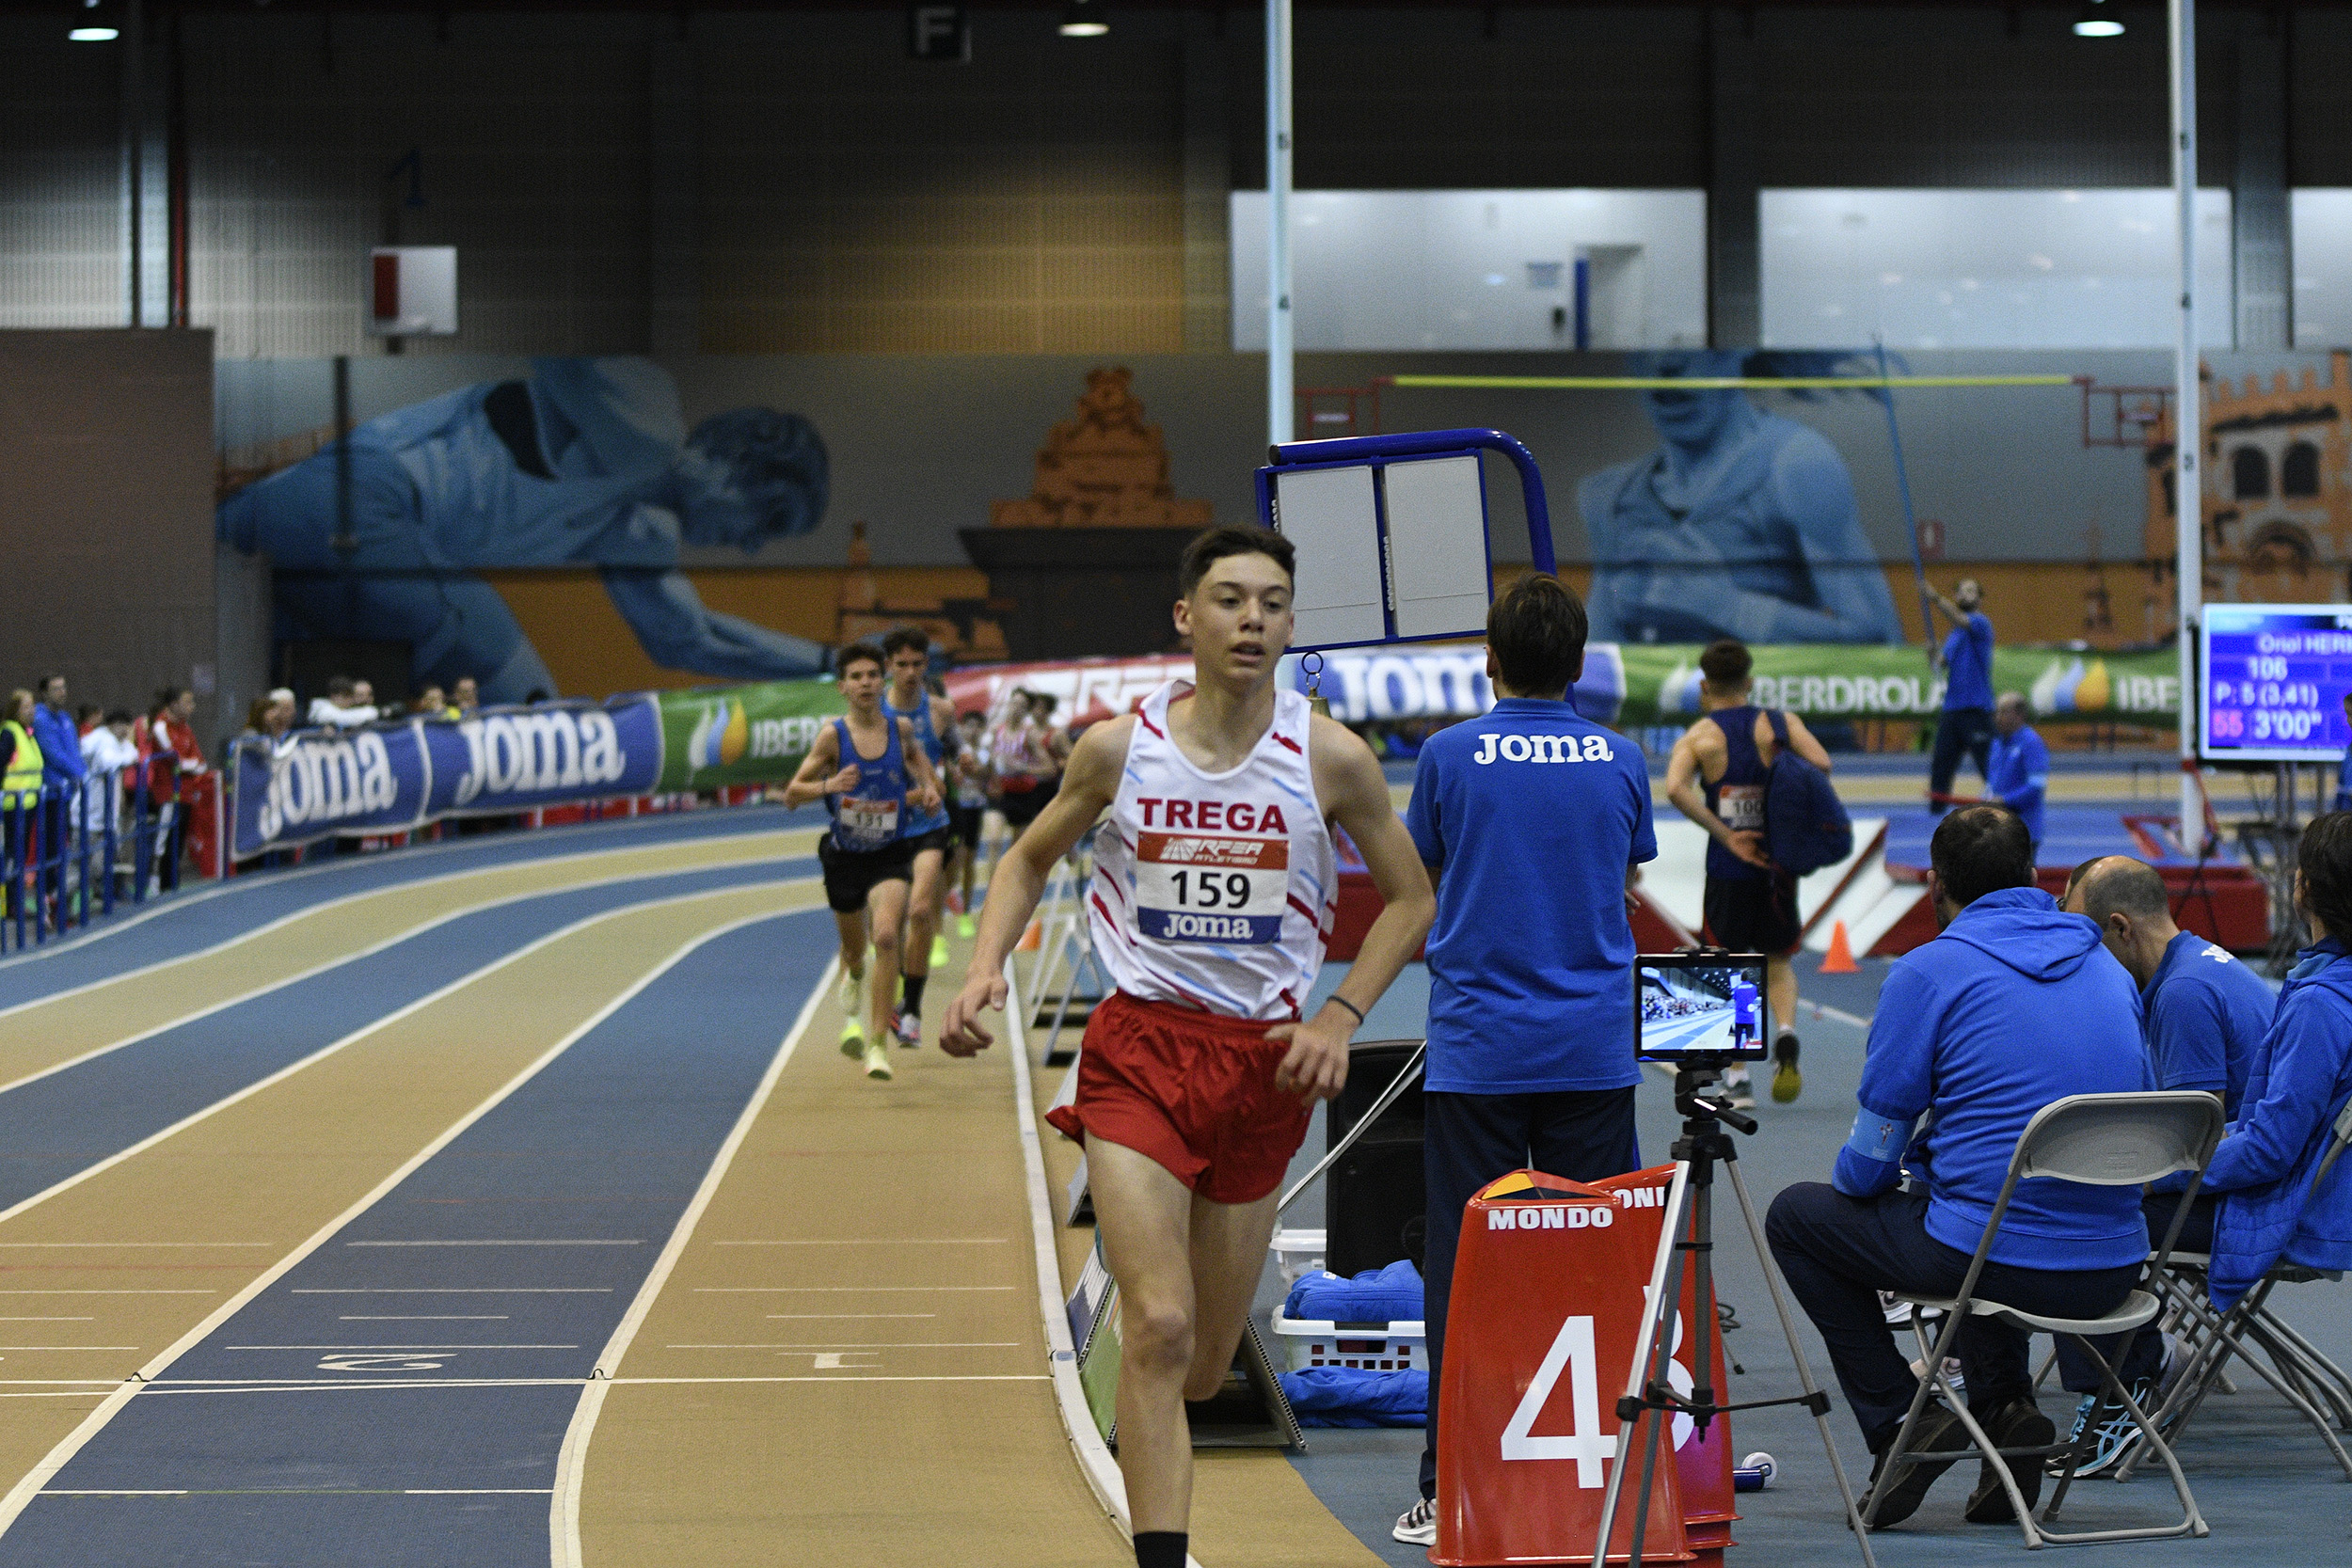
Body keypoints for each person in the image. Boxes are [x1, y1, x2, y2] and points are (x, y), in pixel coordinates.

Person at [940, 526, 1435, 1568]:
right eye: (1228, 599)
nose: (1250, 618)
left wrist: (1338, 1013)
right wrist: (984, 963)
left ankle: (1165, 1344)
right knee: (1158, 1326)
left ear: (1291, 624)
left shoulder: (1330, 756)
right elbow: (1026, 860)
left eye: (1269, 602)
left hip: (1264, 1065)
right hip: (1139, 1054)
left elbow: (1410, 897)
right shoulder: (1119, 751)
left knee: (1205, 1363)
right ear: (1186, 618)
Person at [1766, 804, 2154, 1529]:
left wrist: (1868, 1187)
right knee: (1972, 1200)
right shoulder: (2108, 967)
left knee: (1799, 1215)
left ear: (1936, 885)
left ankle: (1898, 1424)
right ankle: (2006, 1408)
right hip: (2114, 1268)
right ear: (2035, 878)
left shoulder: (1929, 971)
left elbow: (1872, 1155)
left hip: (1996, 1254)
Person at [1390, 574, 1656, 1547]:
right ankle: (1603, 1480)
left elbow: (1418, 872)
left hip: (1479, 1050)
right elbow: (1626, 874)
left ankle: (1448, 1483)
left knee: (1466, 1269)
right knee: (1596, 1262)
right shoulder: (1621, 758)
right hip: (1589, 1048)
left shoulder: (1448, 756)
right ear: (1579, 663)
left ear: (1488, 659)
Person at [218, 357, 832, 704]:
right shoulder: (650, 420)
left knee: (289, 702)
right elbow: (553, 347)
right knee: (526, 695)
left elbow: (692, 642)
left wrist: (837, 662)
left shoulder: (632, 531)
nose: (753, 545)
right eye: (769, 518)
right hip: (347, 499)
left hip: (326, 550)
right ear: (737, 458)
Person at [2049, 852, 2274, 1472]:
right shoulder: (2197, 963)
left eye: (2087, 938)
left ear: (2120, 926)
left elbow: (2191, 1145)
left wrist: (2118, 1167)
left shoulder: (2182, 995)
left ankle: (2121, 1388)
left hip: (2254, 1205)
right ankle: (2146, 1350)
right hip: (2273, 1184)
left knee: (2077, 1211)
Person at [1581, 350, 1903, 647]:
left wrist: (1725, 606)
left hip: (1771, 709)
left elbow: (1879, 639)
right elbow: (1595, 659)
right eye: (1648, 340)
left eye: (1695, 342)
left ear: (1741, 345)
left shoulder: (1796, 464)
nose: (1667, 362)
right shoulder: (1610, 496)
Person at [1663, 638, 1826, 1107]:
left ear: (1704, 685)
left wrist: (1723, 831)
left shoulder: (1701, 736)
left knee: (1732, 968)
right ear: (1750, 682)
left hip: (1729, 868)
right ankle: (1787, 1035)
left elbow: (1675, 788)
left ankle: (1737, 1077)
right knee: (1778, 961)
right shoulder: (1780, 725)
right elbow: (1821, 764)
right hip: (1776, 867)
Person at [780, 643, 943, 1084]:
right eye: (857, 677)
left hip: (889, 852)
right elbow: (793, 793)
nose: (867, 683)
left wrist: (928, 789)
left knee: (888, 935)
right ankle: (852, 971)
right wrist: (831, 784)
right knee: (855, 950)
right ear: (843, 687)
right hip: (845, 857)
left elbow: (923, 771)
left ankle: (877, 1044)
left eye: (873, 675)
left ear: (882, 681)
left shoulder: (902, 729)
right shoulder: (833, 736)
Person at [881, 628, 960, 1042]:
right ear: (888, 667)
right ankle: (893, 987)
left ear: (926, 666)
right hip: (885, 829)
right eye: (902, 665)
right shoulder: (872, 713)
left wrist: (958, 769)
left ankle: (910, 1010)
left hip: (930, 825)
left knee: (922, 911)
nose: (910, 672)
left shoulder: (941, 710)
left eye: (917, 664)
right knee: (887, 926)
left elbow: (952, 756)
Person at [1928, 578, 1995, 811]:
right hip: (1952, 710)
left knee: (1988, 766)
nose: (1966, 595)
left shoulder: (1980, 623)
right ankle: (1935, 814)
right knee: (1941, 766)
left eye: (1971, 591)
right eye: (1962, 592)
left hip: (1977, 708)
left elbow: (1958, 618)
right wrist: (1932, 654)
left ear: (1979, 598)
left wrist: (1935, 598)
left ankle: (2004, 809)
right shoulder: (1954, 635)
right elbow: (1939, 665)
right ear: (1956, 597)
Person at [1981, 693, 2049, 851]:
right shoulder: (1997, 743)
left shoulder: (2032, 743)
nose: (1997, 717)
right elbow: (1993, 780)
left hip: (2023, 829)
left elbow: (2036, 787)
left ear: (2019, 715)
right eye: (1996, 712)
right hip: (1998, 828)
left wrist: (2004, 800)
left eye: (2003, 712)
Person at [946, 708, 991, 939]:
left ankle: (966, 910)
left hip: (975, 808)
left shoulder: (983, 752)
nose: (973, 730)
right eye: (969, 725)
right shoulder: (955, 750)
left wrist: (975, 770)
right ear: (963, 728)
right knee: (956, 859)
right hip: (956, 807)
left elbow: (985, 774)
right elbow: (952, 774)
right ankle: (952, 893)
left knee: (970, 861)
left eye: (977, 726)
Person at [1, 689, 44, 921]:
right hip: (13, 805)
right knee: (13, 855)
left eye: (33, 705)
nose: (32, 710)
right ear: (16, 709)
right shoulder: (9, 733)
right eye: (27, 706)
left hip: (29, 804)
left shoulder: (27, 733)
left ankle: (15, 903)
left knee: (21, 855)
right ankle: (11, 905)